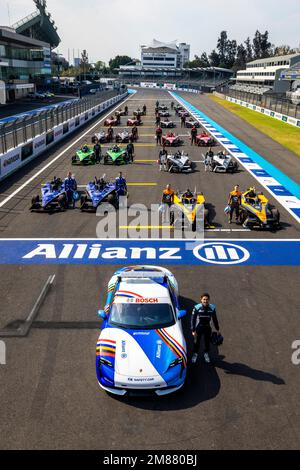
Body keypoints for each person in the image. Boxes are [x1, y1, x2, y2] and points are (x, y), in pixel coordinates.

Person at [191, 293, 221, 364]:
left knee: (207, 343)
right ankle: (195, 354)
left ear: (209, 300)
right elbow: (193, 319)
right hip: (199, 328)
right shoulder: (197, 307)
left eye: (207, 299)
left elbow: (215, 319)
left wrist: (217, 329)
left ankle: (206, 354)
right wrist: (193, 330)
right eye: (204, 299)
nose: (205, 301)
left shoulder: (212, 308)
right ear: (201, 300)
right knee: (196, 343)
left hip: (207, 328)